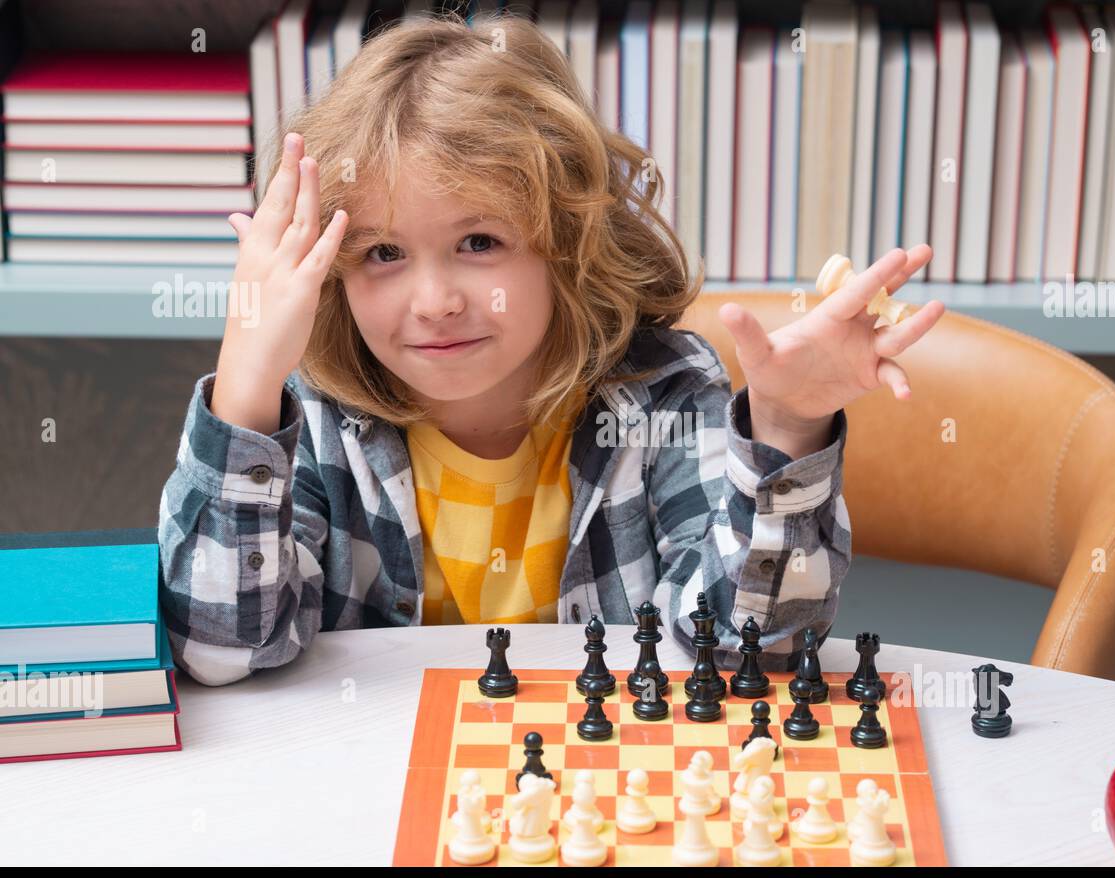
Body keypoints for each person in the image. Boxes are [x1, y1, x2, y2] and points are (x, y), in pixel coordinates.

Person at [157, 13, 944, 686]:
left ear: (567, 242)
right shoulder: (323, 418)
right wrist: (248, 384)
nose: (434, 302)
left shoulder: (662, 397)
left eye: (478, 241)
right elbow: (219, 650)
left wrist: (786, 428)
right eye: (384, 254)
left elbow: (750, 649)